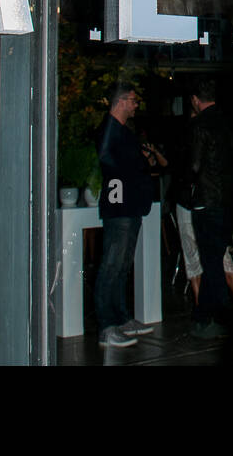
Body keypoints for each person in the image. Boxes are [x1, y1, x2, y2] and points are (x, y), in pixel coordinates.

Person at [93, 85, 165, 349]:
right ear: (121, 101)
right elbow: (114, 166)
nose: (136, 105)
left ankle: (121, 319)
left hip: (130, 206)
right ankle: (106, 326)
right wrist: (139, 163)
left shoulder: (122, 132)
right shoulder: (110, 132)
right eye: (133, 101)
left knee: (121, 266)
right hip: (120, 208)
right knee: (112, 266)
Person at [178, 79, 233, 338]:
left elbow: (193, 165)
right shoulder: (227, 123)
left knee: (210, 261)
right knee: (215, 258)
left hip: (205, 201)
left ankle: (212, 317)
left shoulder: (199, 125)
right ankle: (207, 316)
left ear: (194, 99)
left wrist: (186, 189)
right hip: (226, 201)